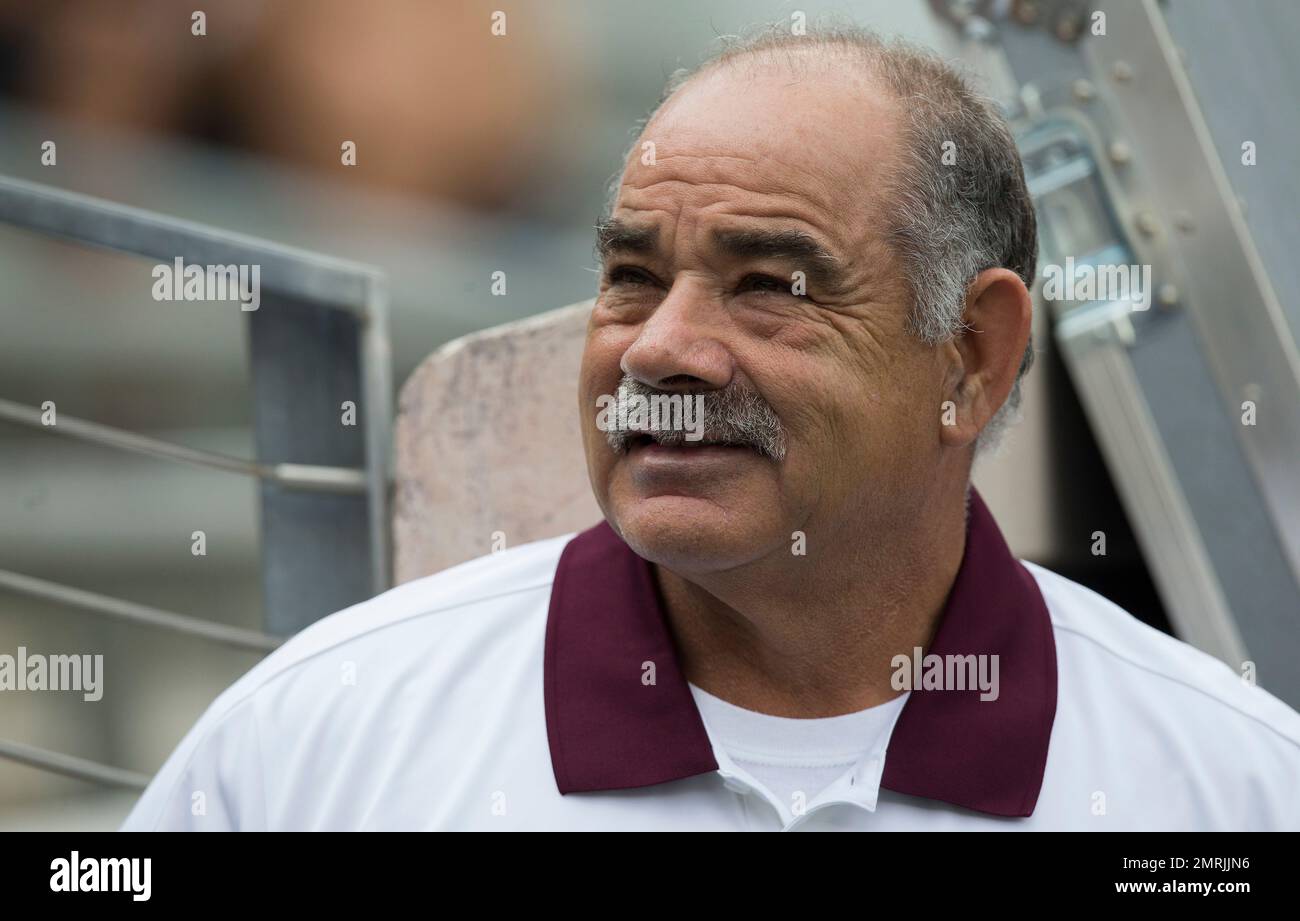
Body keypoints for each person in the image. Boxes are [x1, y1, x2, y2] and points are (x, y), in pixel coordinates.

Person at [122, 25, 1300, 832]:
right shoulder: (318, 743)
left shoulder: (1222, 787)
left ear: (971, 357)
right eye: (633, 276)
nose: (657, 348)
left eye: (769, 284)